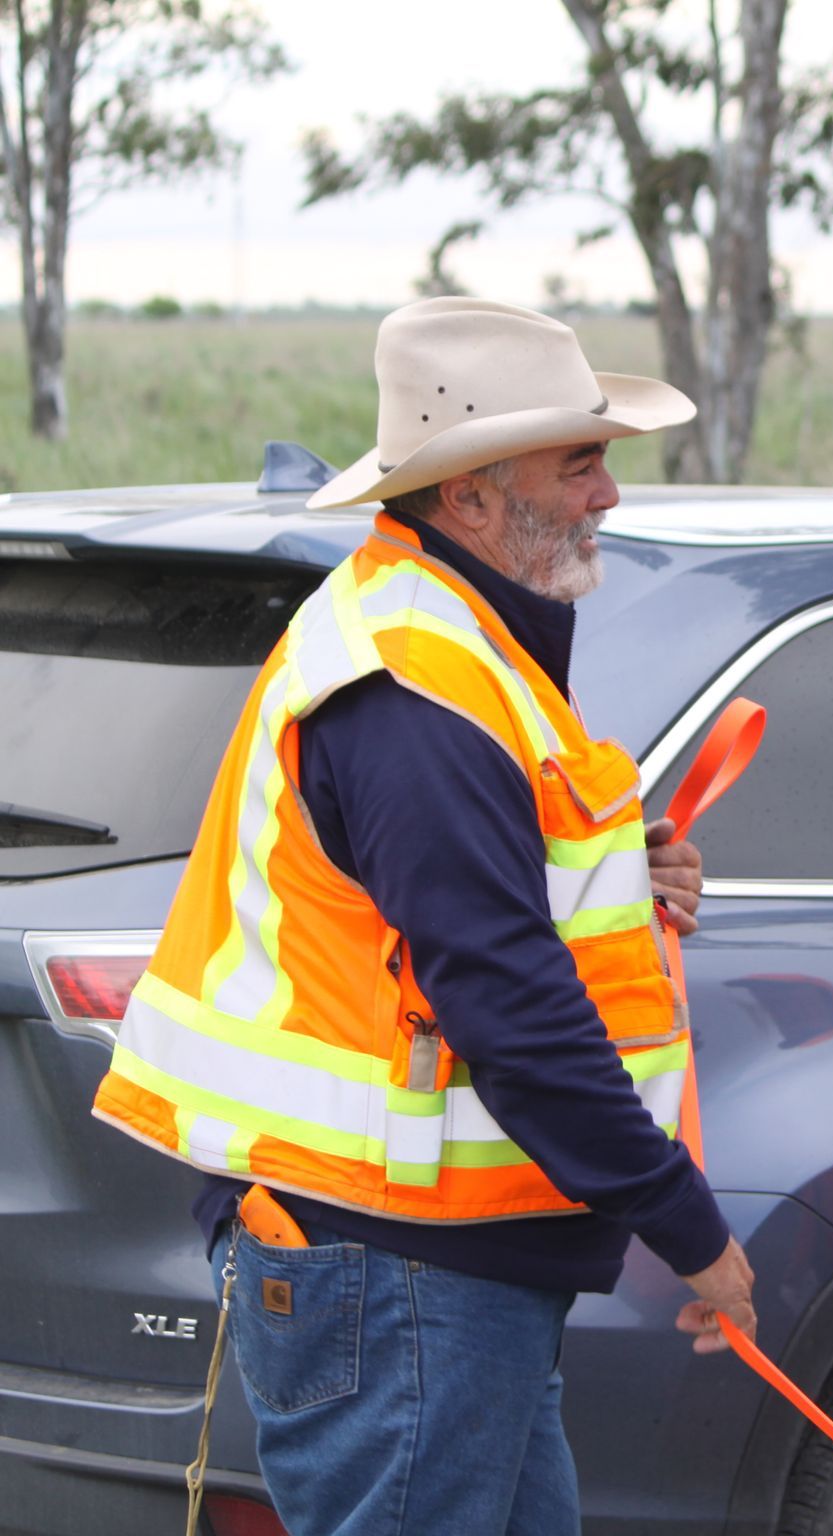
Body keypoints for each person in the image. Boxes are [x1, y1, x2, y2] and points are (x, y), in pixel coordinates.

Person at [92, 296, 757, 1536]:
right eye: (581, 462)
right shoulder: (413, 682)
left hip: (430, 1269)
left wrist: (627, 871)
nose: (609, 494)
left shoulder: (449, 639)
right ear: (469, 497)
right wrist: (687, 1227)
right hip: (397, 1272)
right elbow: (506, 999)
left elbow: (474, 898)